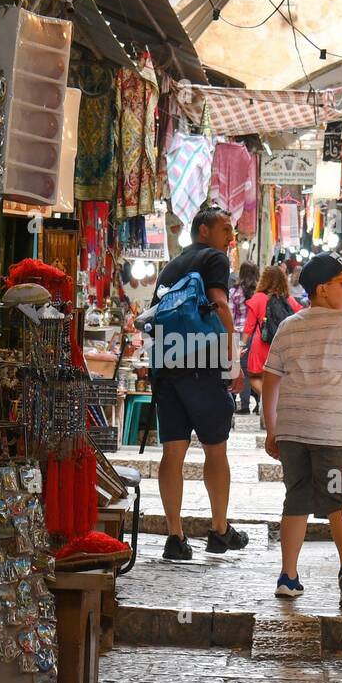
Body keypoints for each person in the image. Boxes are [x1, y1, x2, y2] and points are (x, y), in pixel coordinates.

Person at [261, 251, 342, 609]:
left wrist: (271, 428)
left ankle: (288, 576)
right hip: (332, 434)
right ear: (323, 290)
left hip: (292, 432)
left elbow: (270, 380)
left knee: (296, 498)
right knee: (338, 502)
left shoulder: (289, 326)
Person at [150, 206, 250, 560]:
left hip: (166, 367)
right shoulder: (215, 258)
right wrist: (233, 359)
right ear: (203, 230)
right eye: (225, 228)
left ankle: (175, 537)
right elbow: (220, 304)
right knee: (215, 449)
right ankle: (219, 530)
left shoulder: (171, 266)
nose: (230, 236)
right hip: (202, 366)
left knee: (172, 453)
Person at [242, 266, 302, 408]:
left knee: (254, 376)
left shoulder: (257, 299)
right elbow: (301, 316)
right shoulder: (289, 300)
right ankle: (275, 400)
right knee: (278, 378)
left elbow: (249, 326)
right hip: (282, 345)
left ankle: (268, 398)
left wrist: (242, 345)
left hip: (260, 344)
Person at [230, 262, 260, 415]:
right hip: (256, 335)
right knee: (254, 370)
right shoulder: (259, 293)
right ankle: (258, 405)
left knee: (237, 369)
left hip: (238, 334)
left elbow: (230, 316)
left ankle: (241, 405)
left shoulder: (235, 292)